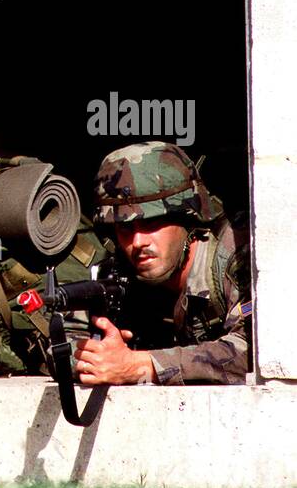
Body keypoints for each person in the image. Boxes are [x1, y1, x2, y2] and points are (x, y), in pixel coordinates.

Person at [73, 140, 252, 386]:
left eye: (151, 223)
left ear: (187, 217)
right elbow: (68, 339)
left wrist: (141, 365)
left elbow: (253, 351)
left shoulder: (234, 258)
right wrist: (95, 356)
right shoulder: (118, 273)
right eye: (125, 228)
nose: (138, 242)